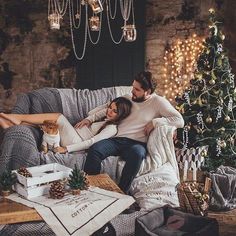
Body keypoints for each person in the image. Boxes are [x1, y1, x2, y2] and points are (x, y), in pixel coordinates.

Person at [78, 71, 184, 193]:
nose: (132, 91)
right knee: (95, 149)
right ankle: (91, 189)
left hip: (137, 144)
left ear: (147, 92)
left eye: (137, 89)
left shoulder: (158, 102)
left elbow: (179, 120)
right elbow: (108, 108)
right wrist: (89, 119)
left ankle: (122, 192)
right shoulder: (128, 98)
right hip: (117, 140)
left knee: (137, 154)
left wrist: (155, 122)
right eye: (133, 87)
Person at [0, 97, 132, 153]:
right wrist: (89, 119)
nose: (110, 111)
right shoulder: (105, 118)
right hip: (74, 134)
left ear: (121, 115)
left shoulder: (111, 129)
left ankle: (16, 118)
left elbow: (91, 142)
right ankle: (12, 125)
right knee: (47, 124)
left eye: (115, 111)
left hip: (76, 142)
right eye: (110, 107)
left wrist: (67, 149)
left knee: (59, 117)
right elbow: (91, 112)